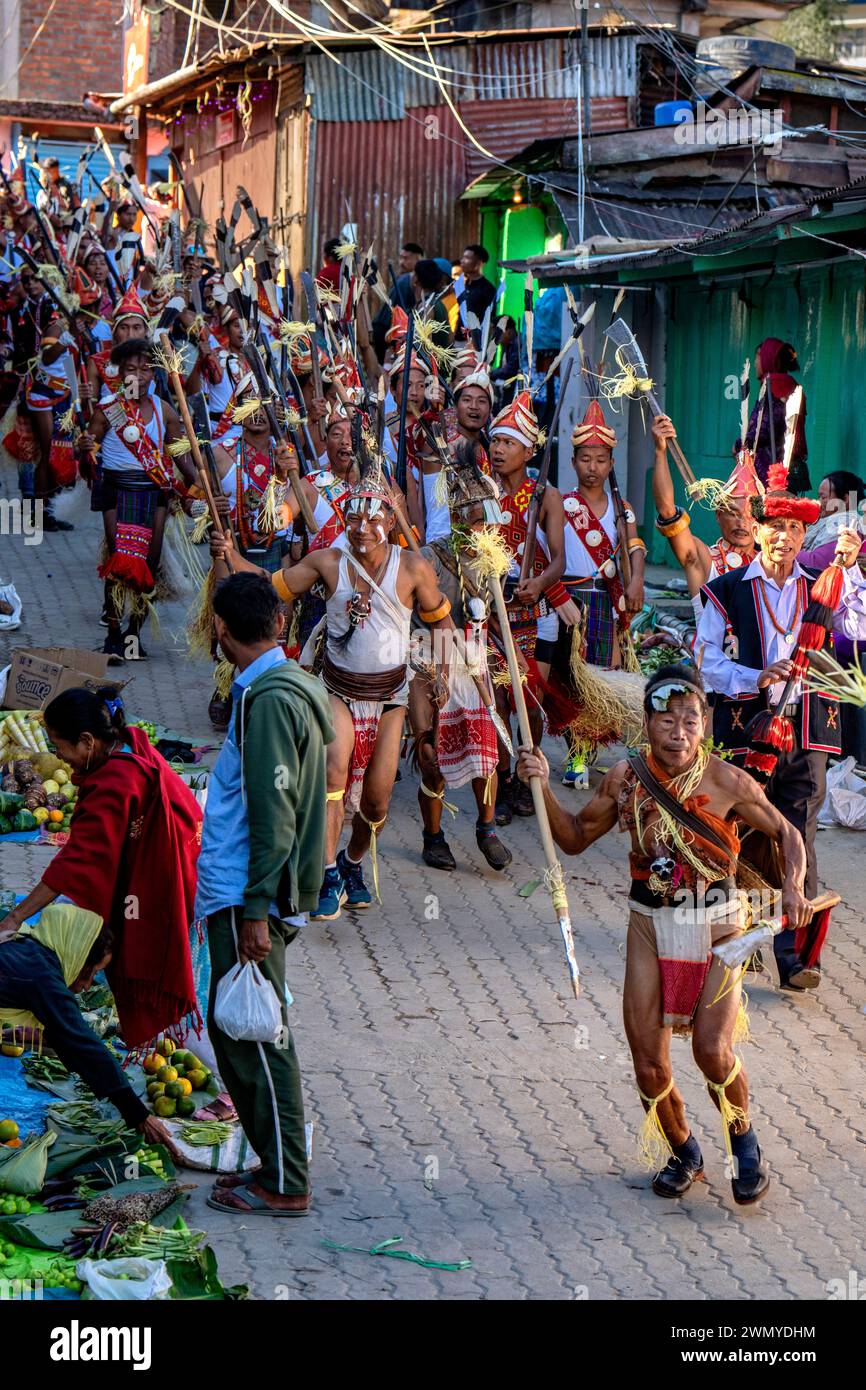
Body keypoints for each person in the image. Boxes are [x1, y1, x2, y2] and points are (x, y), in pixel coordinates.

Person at [516, 664, 811, 1206]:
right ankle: (684, 1152)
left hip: (720, 922)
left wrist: (792, 885)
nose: (679, 731)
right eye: (666, 719)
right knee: (648, 1062)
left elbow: (787, 832)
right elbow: (577, 837)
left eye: (691, 721)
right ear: (646, 723)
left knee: (710, 1049)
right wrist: (541, 784)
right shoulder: (625, 779)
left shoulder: (728, 781)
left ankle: (744, 1146)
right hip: (649, 922)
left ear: (705, 727)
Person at [212, 467, 452, 921]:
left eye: (372, 520)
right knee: (333, 777)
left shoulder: (414, 568)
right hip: (338, 689)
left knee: (379, 799)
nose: (362, 529)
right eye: (354, 520)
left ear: (391, 521)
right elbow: (272, 584)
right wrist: (231, 556)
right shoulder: (328, 562)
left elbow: (440, 621)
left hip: (390, 698)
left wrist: (452, 671)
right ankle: (323, 873)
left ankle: (352, 862)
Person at [195, 573, 335, 1217]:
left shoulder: (269, 699)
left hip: (249, 891)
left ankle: (285, 1181)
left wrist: (255, 908)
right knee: (242, 1031)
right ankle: (272, 1161)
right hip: (255, 887)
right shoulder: (283, 686)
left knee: (257, 1037)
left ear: (222, 630)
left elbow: (273, 809)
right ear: (278, 625)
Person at [696, 463, 866, 990]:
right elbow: (703, 659)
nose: (785, 538)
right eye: (776, 527)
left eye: (796, 529)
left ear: (804, 535)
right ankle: (736, 940)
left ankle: (796, 956)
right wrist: (752, 674)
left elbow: (857, 627)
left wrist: (852, 570)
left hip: (810, 725)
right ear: (759, 528)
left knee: (799, 833)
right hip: (746, 722)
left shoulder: (825, 584)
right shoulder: (725, 589)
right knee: (739, 829)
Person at [0, 688, 202, 1052]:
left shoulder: (114, 783)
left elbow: (76, 863)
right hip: (185, 866)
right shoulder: (129, 744)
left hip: (171, 886)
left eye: (60, 747)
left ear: (87, 741)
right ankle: (157, 1043)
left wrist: (17, 916)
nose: (59, 758)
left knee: (149, 966)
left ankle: (217, 1078)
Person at [0, 906, 180, 1158]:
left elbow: (66, 1039)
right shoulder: (42, 978)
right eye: (92, 973)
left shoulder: (31, 949)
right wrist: (138, 1114)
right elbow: (84, 1046)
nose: (86, 986)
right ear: (77, 954)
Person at [409, 443, 511, 872]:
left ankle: (487, 828)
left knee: (487, 752)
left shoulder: (493, 563)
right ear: (455, 520)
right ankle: (433, 837)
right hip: (429, 662)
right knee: (432, 755)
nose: (484, 529)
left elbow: (494, 619)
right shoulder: (429, 560)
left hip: (474, 663)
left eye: (489, 520)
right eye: (475, 521)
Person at [488, 390, 580, 823]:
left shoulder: (546, 496)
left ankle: (531, 777)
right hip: (489, 610)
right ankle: (503, 781)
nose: (499, 449)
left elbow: (559, 559)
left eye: (509, 443)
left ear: (529, 450)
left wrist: (538, 584)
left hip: (533, 612)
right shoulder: (480, 491)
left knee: (527, 698)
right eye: (496, 441)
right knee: (498, 700)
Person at [79, 337, 198, 661]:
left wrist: (197, 479)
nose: (139, 375)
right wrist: (84, 450)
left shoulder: (165, 410)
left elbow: (178, 454)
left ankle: (134, 636)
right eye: (132, 369)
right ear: (120, 373)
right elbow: (89, 448)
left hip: (153, 492)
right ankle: (113, 636)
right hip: (115, 491)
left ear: (155, 374)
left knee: (149, 565)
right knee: (121, 563)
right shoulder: (109, 408)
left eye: (146, 369)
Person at [552, 395, 644, 788]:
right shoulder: (562, 503)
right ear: (573, 462)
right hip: (571, 602)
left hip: (607, 600)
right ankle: (576, 752)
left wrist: (636, 580)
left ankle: (590, 749)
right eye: (585, 459)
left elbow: (634, 548)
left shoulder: (621, 509)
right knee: (574, 679)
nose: (593, 468)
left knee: (603, 677)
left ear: (611, 464)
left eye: (601, 460)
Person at [652, 413, 756, 624]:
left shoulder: (769, 564)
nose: (742, 523)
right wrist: (660, 452)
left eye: (750, 516)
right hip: (712, 657)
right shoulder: (703, 559)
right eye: (734, 514)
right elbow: (666, 511)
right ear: (718, 515)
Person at [735, 339, 807, 491]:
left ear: (768, 358)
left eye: (757, 357)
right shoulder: (788, 384)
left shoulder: (775, 384)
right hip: (786, 469)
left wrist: (740, 444)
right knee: (783, 512)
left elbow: (765, 426)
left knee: (762, 512)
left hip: (771, 472)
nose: (755, 363)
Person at [458, 244, 496, 326]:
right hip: (459, 336)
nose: (462, 261)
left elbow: (489, 319)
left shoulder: (488, 289)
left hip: (475, 337)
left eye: (467, 258)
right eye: (463, 257)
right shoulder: (464, 285)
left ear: (479, 263)